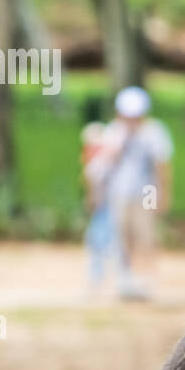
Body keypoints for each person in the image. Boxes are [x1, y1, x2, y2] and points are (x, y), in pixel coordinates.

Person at [100, 86, 173, 299]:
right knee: (123, 234)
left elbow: (161, 165)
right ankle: (125, 278)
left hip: (146, 192)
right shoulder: (114, 132)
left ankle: (146, 279)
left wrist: (163, 194)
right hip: (120, 191)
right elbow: (104, 165)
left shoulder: (154, 132)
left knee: (146, 234)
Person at [80, 121, 119, 293]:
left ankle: (103, 278)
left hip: (108, 209)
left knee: (101, 241)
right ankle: (100, 277)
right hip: (103, 209)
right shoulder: (98, 162)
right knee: (98, 241)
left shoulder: (100, 164)